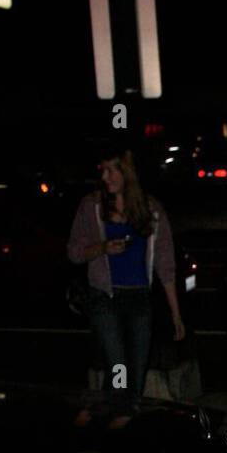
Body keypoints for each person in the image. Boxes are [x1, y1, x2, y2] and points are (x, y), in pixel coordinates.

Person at [67, 148, 184, 407]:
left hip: (139, 300)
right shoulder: (92, 206)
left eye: (111, 170)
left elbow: (166, 265)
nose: (105, 177)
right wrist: (103, 248)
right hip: (106, 298)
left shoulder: (151, 209)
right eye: (102, 171)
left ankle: (111, 415)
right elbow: (74, 252)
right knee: (118, 368)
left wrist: (176, 314)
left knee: (136, 370)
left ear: (127, 173)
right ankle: (107, 415)